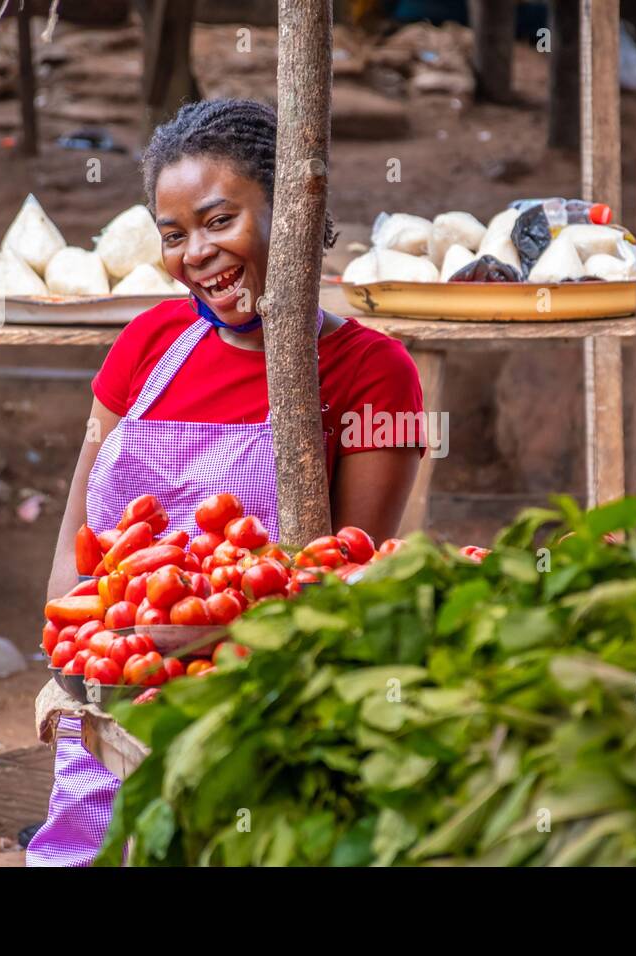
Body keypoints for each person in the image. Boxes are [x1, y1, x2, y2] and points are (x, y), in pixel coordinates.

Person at [26, 98, 425, 866]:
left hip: (260, 714)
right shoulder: (148, 342)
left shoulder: (374, 372)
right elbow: (77, 538)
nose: (196, 254)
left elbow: (353, 577)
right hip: (116, 710)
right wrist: (72, 666)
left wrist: (212, 629)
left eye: (218, 221)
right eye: (174, 235)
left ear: (291, 215)